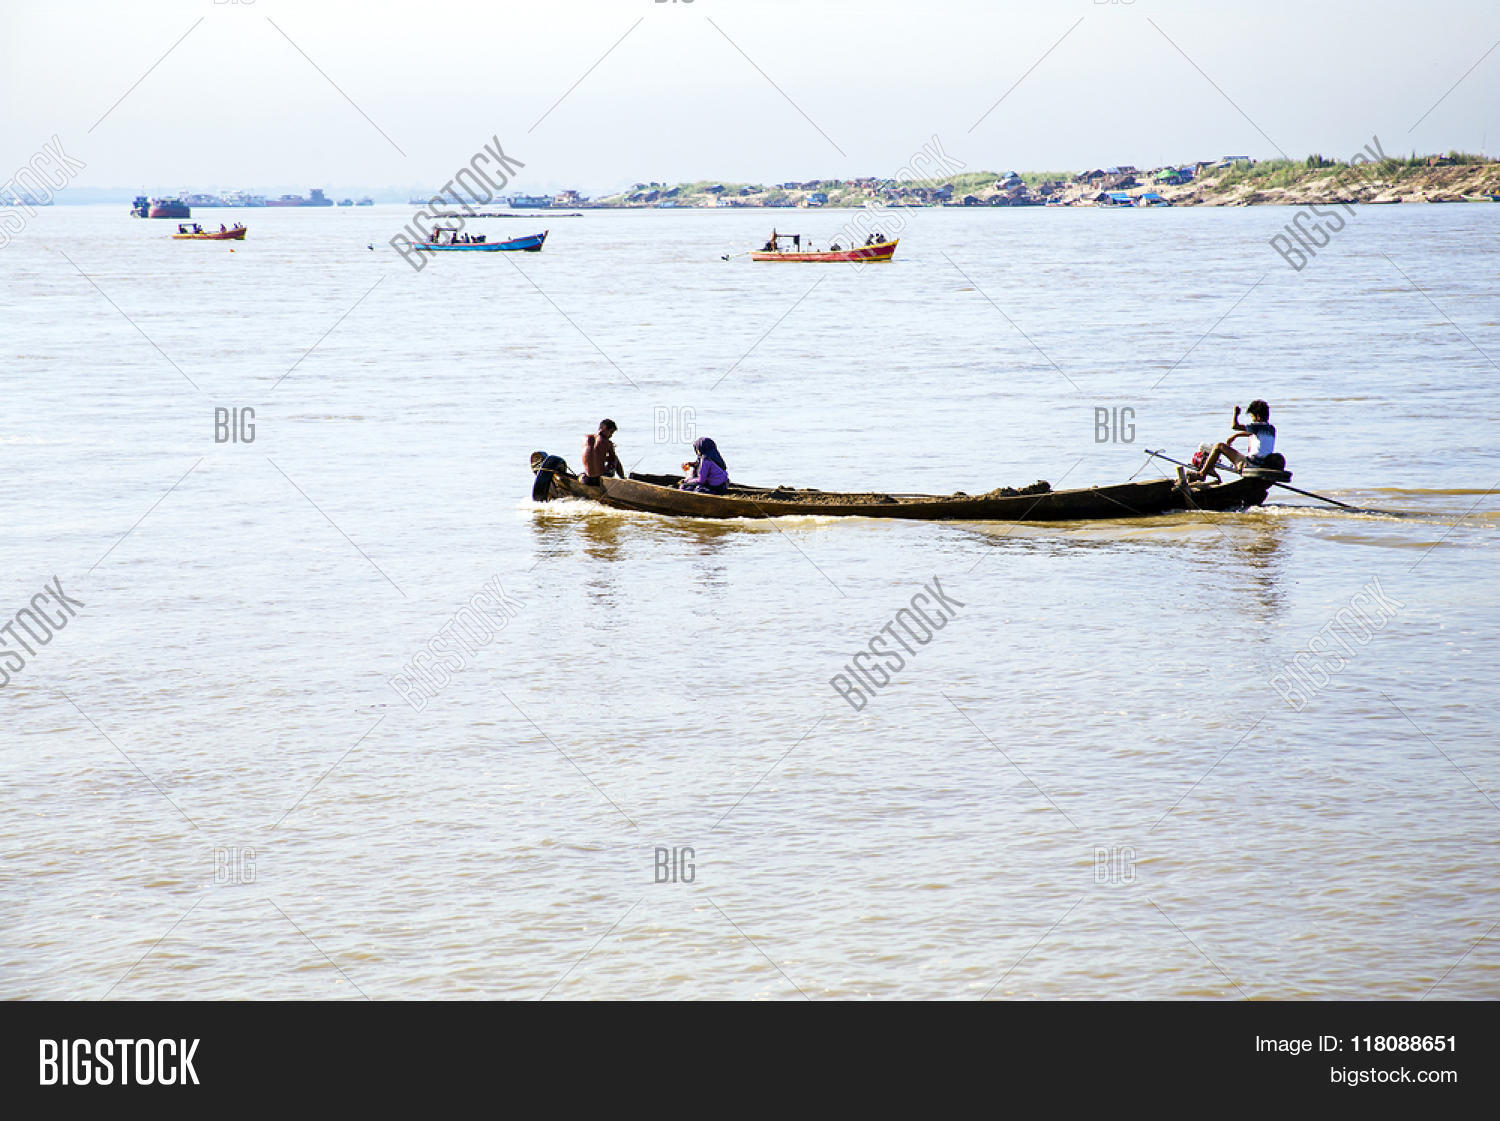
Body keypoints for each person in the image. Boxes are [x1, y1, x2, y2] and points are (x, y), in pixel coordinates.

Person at [1191, 400, 1277, 480]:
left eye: (1252, 417)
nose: (1252, 419)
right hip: (1263, 464)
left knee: (1219, 446)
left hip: (1251, 464)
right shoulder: (1271, 429)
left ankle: (1202, 474)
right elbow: (1252, 433)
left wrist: (1236, 414)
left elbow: (1234, 426)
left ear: (1258, 417)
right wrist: (1235, 436)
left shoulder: (1257, 426)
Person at [581, 419, 625, 485]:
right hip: (600, 479)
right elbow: (612, 459)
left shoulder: (585, 438)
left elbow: (592, 455)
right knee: (615, 459)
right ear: (604, 428)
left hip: (587, 478)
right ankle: (623, 479)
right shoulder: (608, 442)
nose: (611, 435)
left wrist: (602, 456)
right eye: (611, 432)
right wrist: (612, 448)